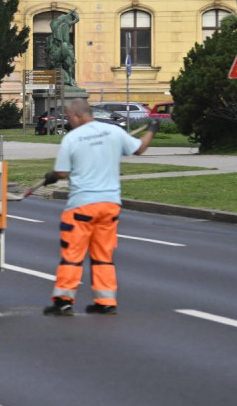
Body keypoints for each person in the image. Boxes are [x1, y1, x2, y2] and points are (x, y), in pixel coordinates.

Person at [41, 99, 159, 316]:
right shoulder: (113, 132)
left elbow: (63, 173)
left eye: (68, 117)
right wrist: (151, 130)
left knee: (73, 255)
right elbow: (139, 149)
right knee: (103, 255)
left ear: (77, 116)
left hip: (82, 206)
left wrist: (51, 177)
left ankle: (64, 301)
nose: (69, 121)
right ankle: (106, 302)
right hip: (110, 204)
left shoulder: (72, 139)